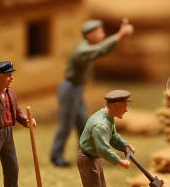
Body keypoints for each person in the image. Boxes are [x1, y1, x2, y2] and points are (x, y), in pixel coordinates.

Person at [49, 19, 134, 167]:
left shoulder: (88, 47)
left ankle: (85, 150)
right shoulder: (82, 50)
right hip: (69, 89)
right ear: (90, 35)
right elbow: (100, 50)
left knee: (83, 120)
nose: (102, 34)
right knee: (66, 124)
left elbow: (102, 49)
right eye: (99, 32)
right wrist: (119, 35)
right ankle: (56, 156)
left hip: (77, 89)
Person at [77, 90, 135, 187]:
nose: (127, 109)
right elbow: (103, 149)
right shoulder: (100, 124)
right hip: (88, 159)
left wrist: (124, 145)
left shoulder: (108, 118)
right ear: (115, 105)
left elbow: (114, 137)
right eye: (124, 106)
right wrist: (119, 161)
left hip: (94, 158)